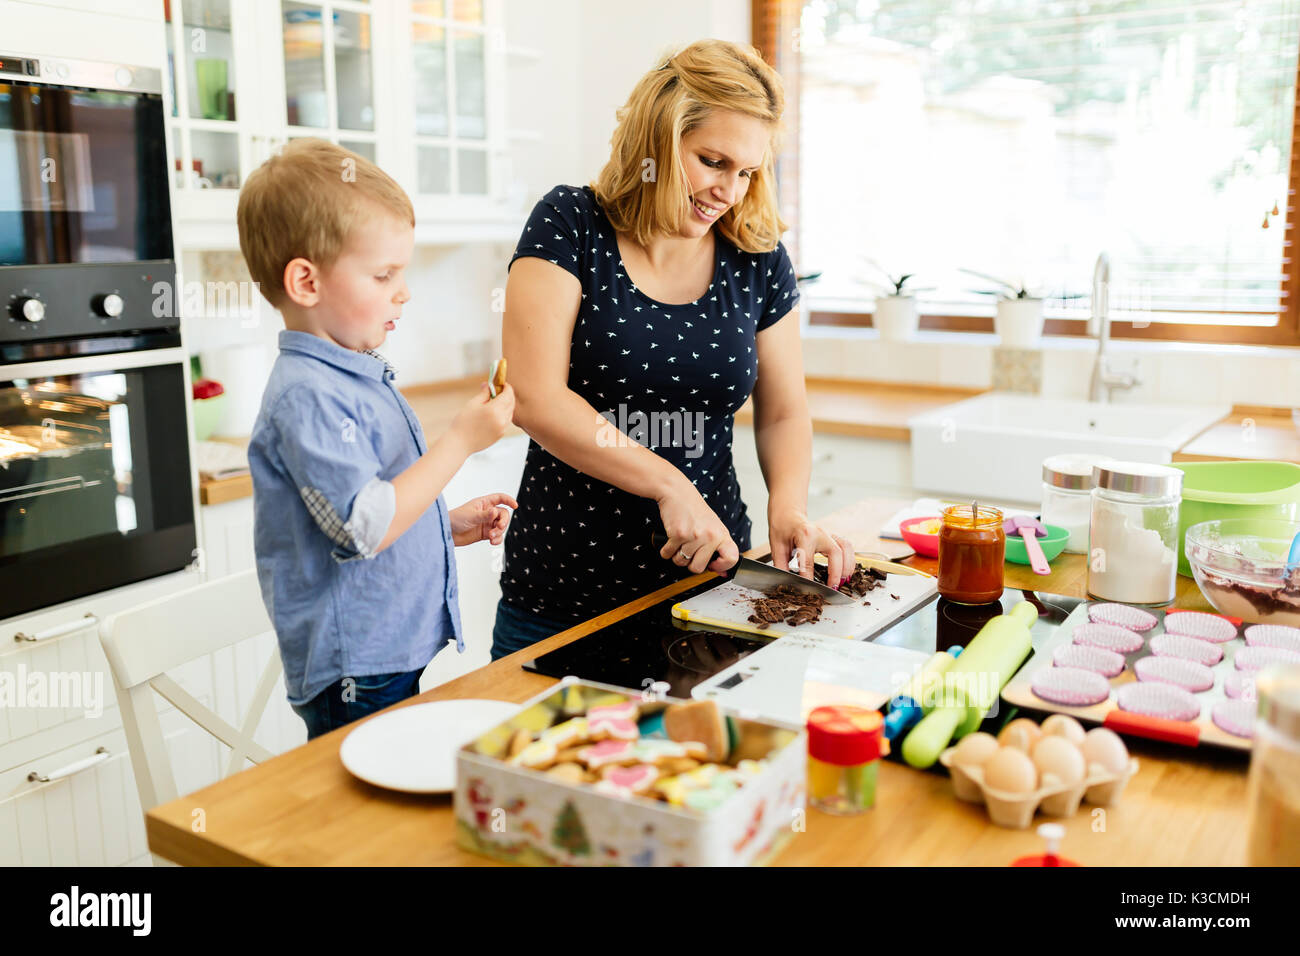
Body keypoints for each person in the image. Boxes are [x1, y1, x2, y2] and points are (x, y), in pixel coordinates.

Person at [492, 39, 854, 660]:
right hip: (563, 599)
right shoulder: (570, 224)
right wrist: (668, 484)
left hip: (713, 593)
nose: (728, 191)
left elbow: (784, 410)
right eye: (713, 160)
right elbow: (535, 398)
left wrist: (788, 506)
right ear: (657, 139)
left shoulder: (758, 258)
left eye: (746, 172)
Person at [237, 139, 517, 739]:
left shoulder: (351, 373)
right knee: (367, 824)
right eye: (384, 274)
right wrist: (461, 441)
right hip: (356, 671)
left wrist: (444, 526)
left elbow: (364, 510)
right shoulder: (307, 395)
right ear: (306, 282)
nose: (404, 291)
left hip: (384, 655)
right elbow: (365, 527)